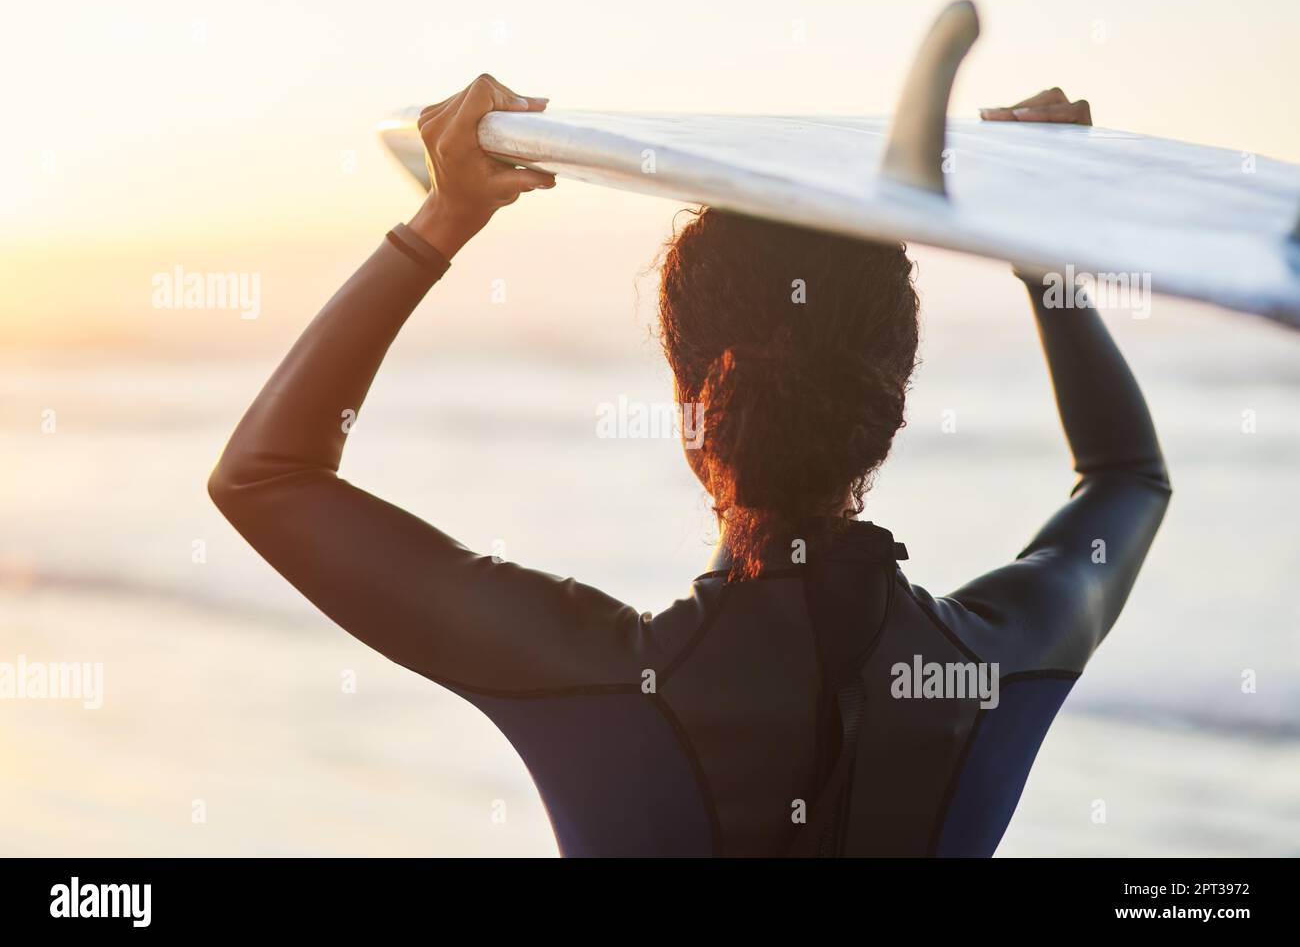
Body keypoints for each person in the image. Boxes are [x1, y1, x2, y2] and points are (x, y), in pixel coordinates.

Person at [208, 77, 1168, 856]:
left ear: (691, 406)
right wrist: (1047, 262)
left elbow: (264, 475)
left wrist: (443, 218)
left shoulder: (588, 672)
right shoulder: (995, 663)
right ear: (895, 398)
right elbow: (1128, 476)